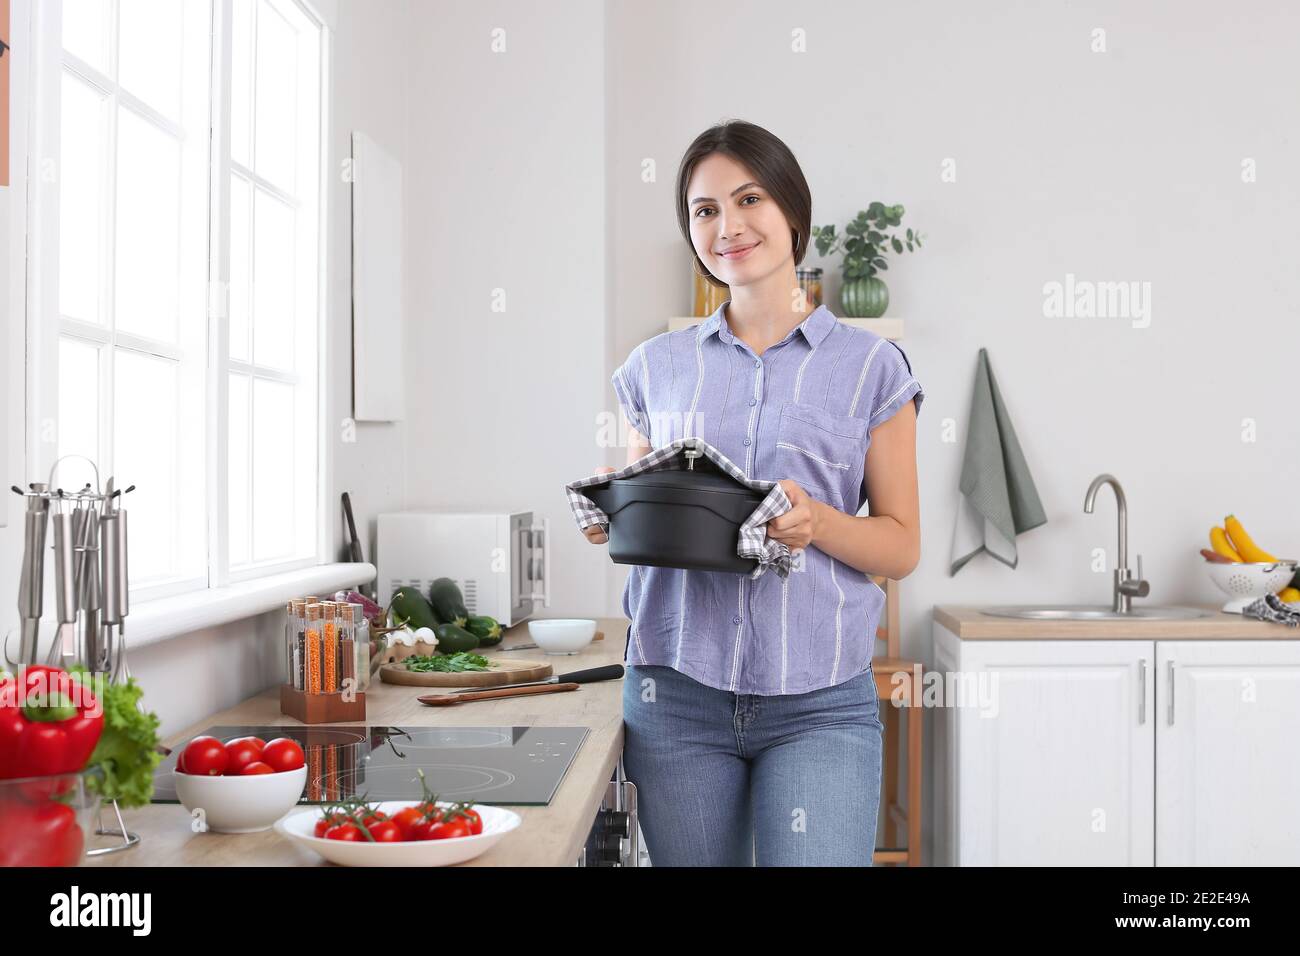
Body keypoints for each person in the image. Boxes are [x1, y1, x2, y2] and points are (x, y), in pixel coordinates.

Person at [585, 120, 923, 866]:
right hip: (675, 698)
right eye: (704, 211)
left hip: (820, 703)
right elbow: (641, 500)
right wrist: (617, 516)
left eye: (748, 200)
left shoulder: (872, 368)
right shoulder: (657, 367)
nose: (727, 226)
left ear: (792, 214)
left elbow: (901, 546)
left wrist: (819, 522)